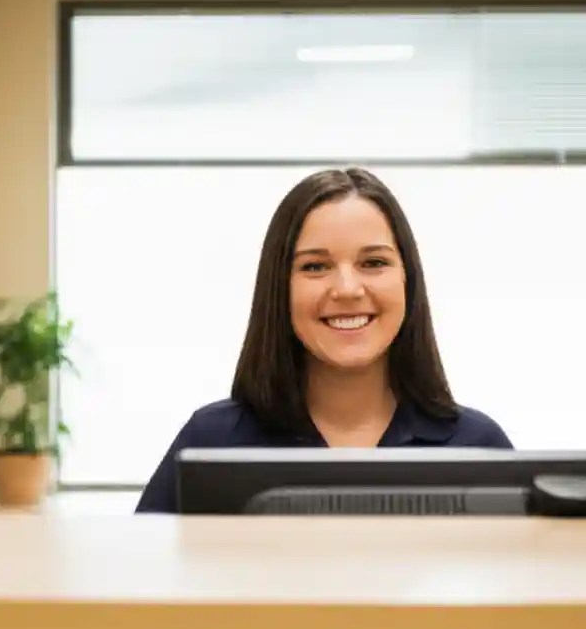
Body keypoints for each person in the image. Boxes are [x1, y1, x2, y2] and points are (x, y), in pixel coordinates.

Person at [136, 167, 512, 513]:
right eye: (315, 266)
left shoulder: (478, 447)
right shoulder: (213, 443)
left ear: (407, 280)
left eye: (373, 263)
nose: (347, 289)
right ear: (279, 289)